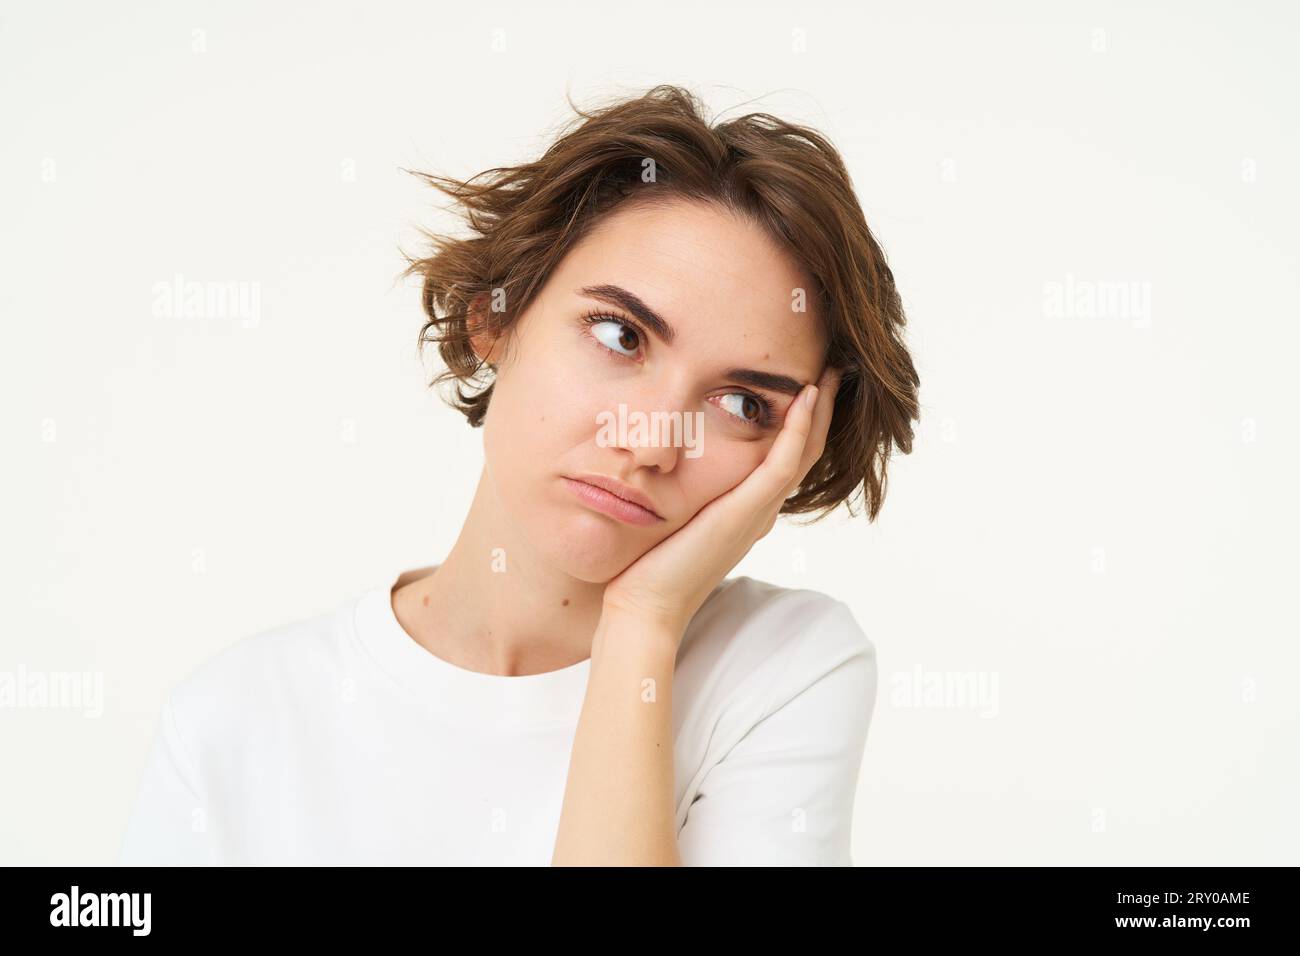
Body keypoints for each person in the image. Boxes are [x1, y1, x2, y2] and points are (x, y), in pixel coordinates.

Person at [117, 84, 920, 866]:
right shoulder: (238, 718)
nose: (650, 442)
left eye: (742, 402)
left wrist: (642, 622)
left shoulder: (783, 671)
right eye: (620, 335)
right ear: (495, 317)